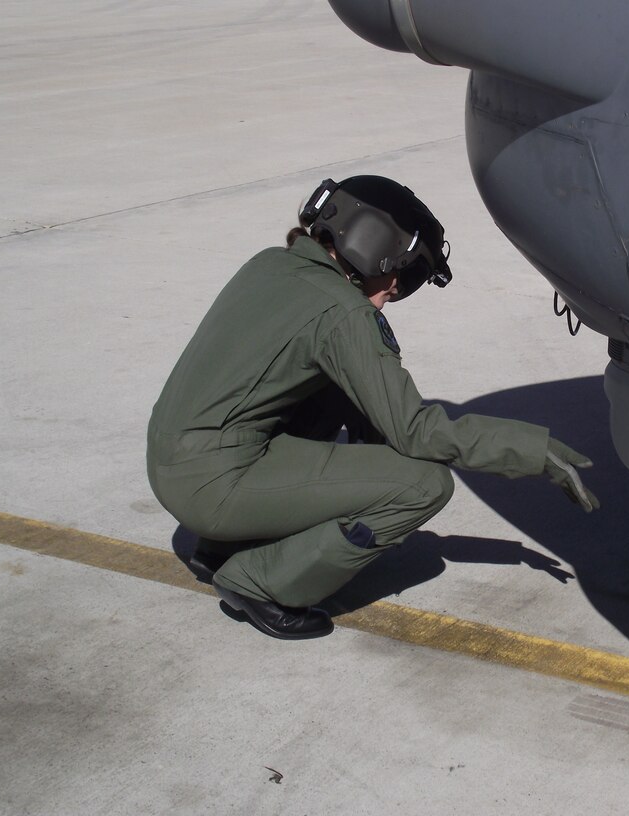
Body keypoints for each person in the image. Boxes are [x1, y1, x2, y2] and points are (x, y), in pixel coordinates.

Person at [146, 176, 598, 640]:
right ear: (372, 244)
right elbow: (415, 430)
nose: (399, 288)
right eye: (406, 270)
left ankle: (221, 544)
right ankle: (260, 580)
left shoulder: (271, 266)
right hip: (213, 485)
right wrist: (531, 450)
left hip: (173, 462)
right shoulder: (343, 313)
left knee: (334, 389)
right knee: (424, 484)